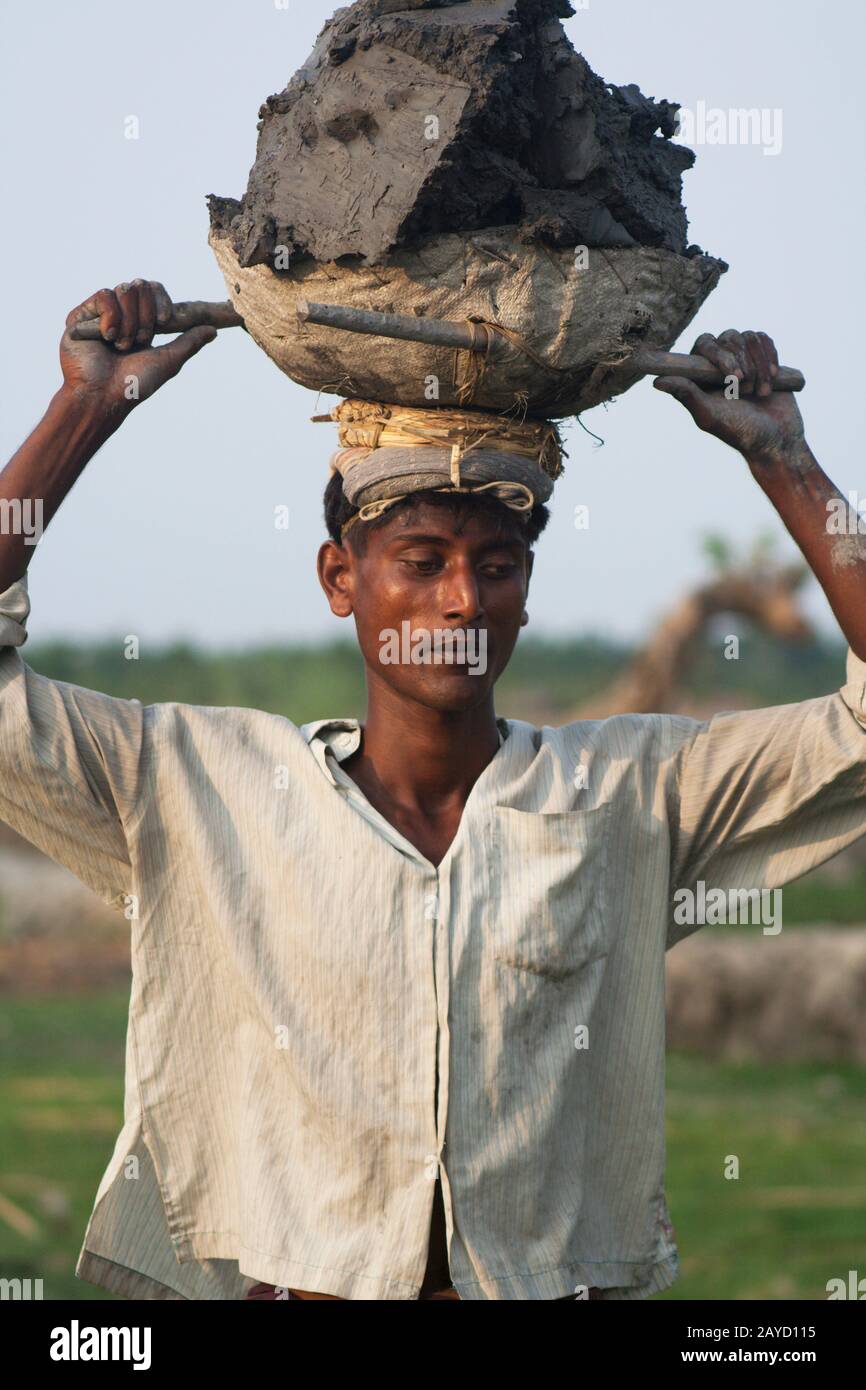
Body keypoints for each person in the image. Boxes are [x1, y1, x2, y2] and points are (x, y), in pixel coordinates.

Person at [1, 280, 864, 1301]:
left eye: (496, 565)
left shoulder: (631, 792)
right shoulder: (203, 784)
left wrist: (783, 459)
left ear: (525, 595)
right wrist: (87, 406)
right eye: (422, 560)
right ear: (339, 579)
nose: (462, 596)